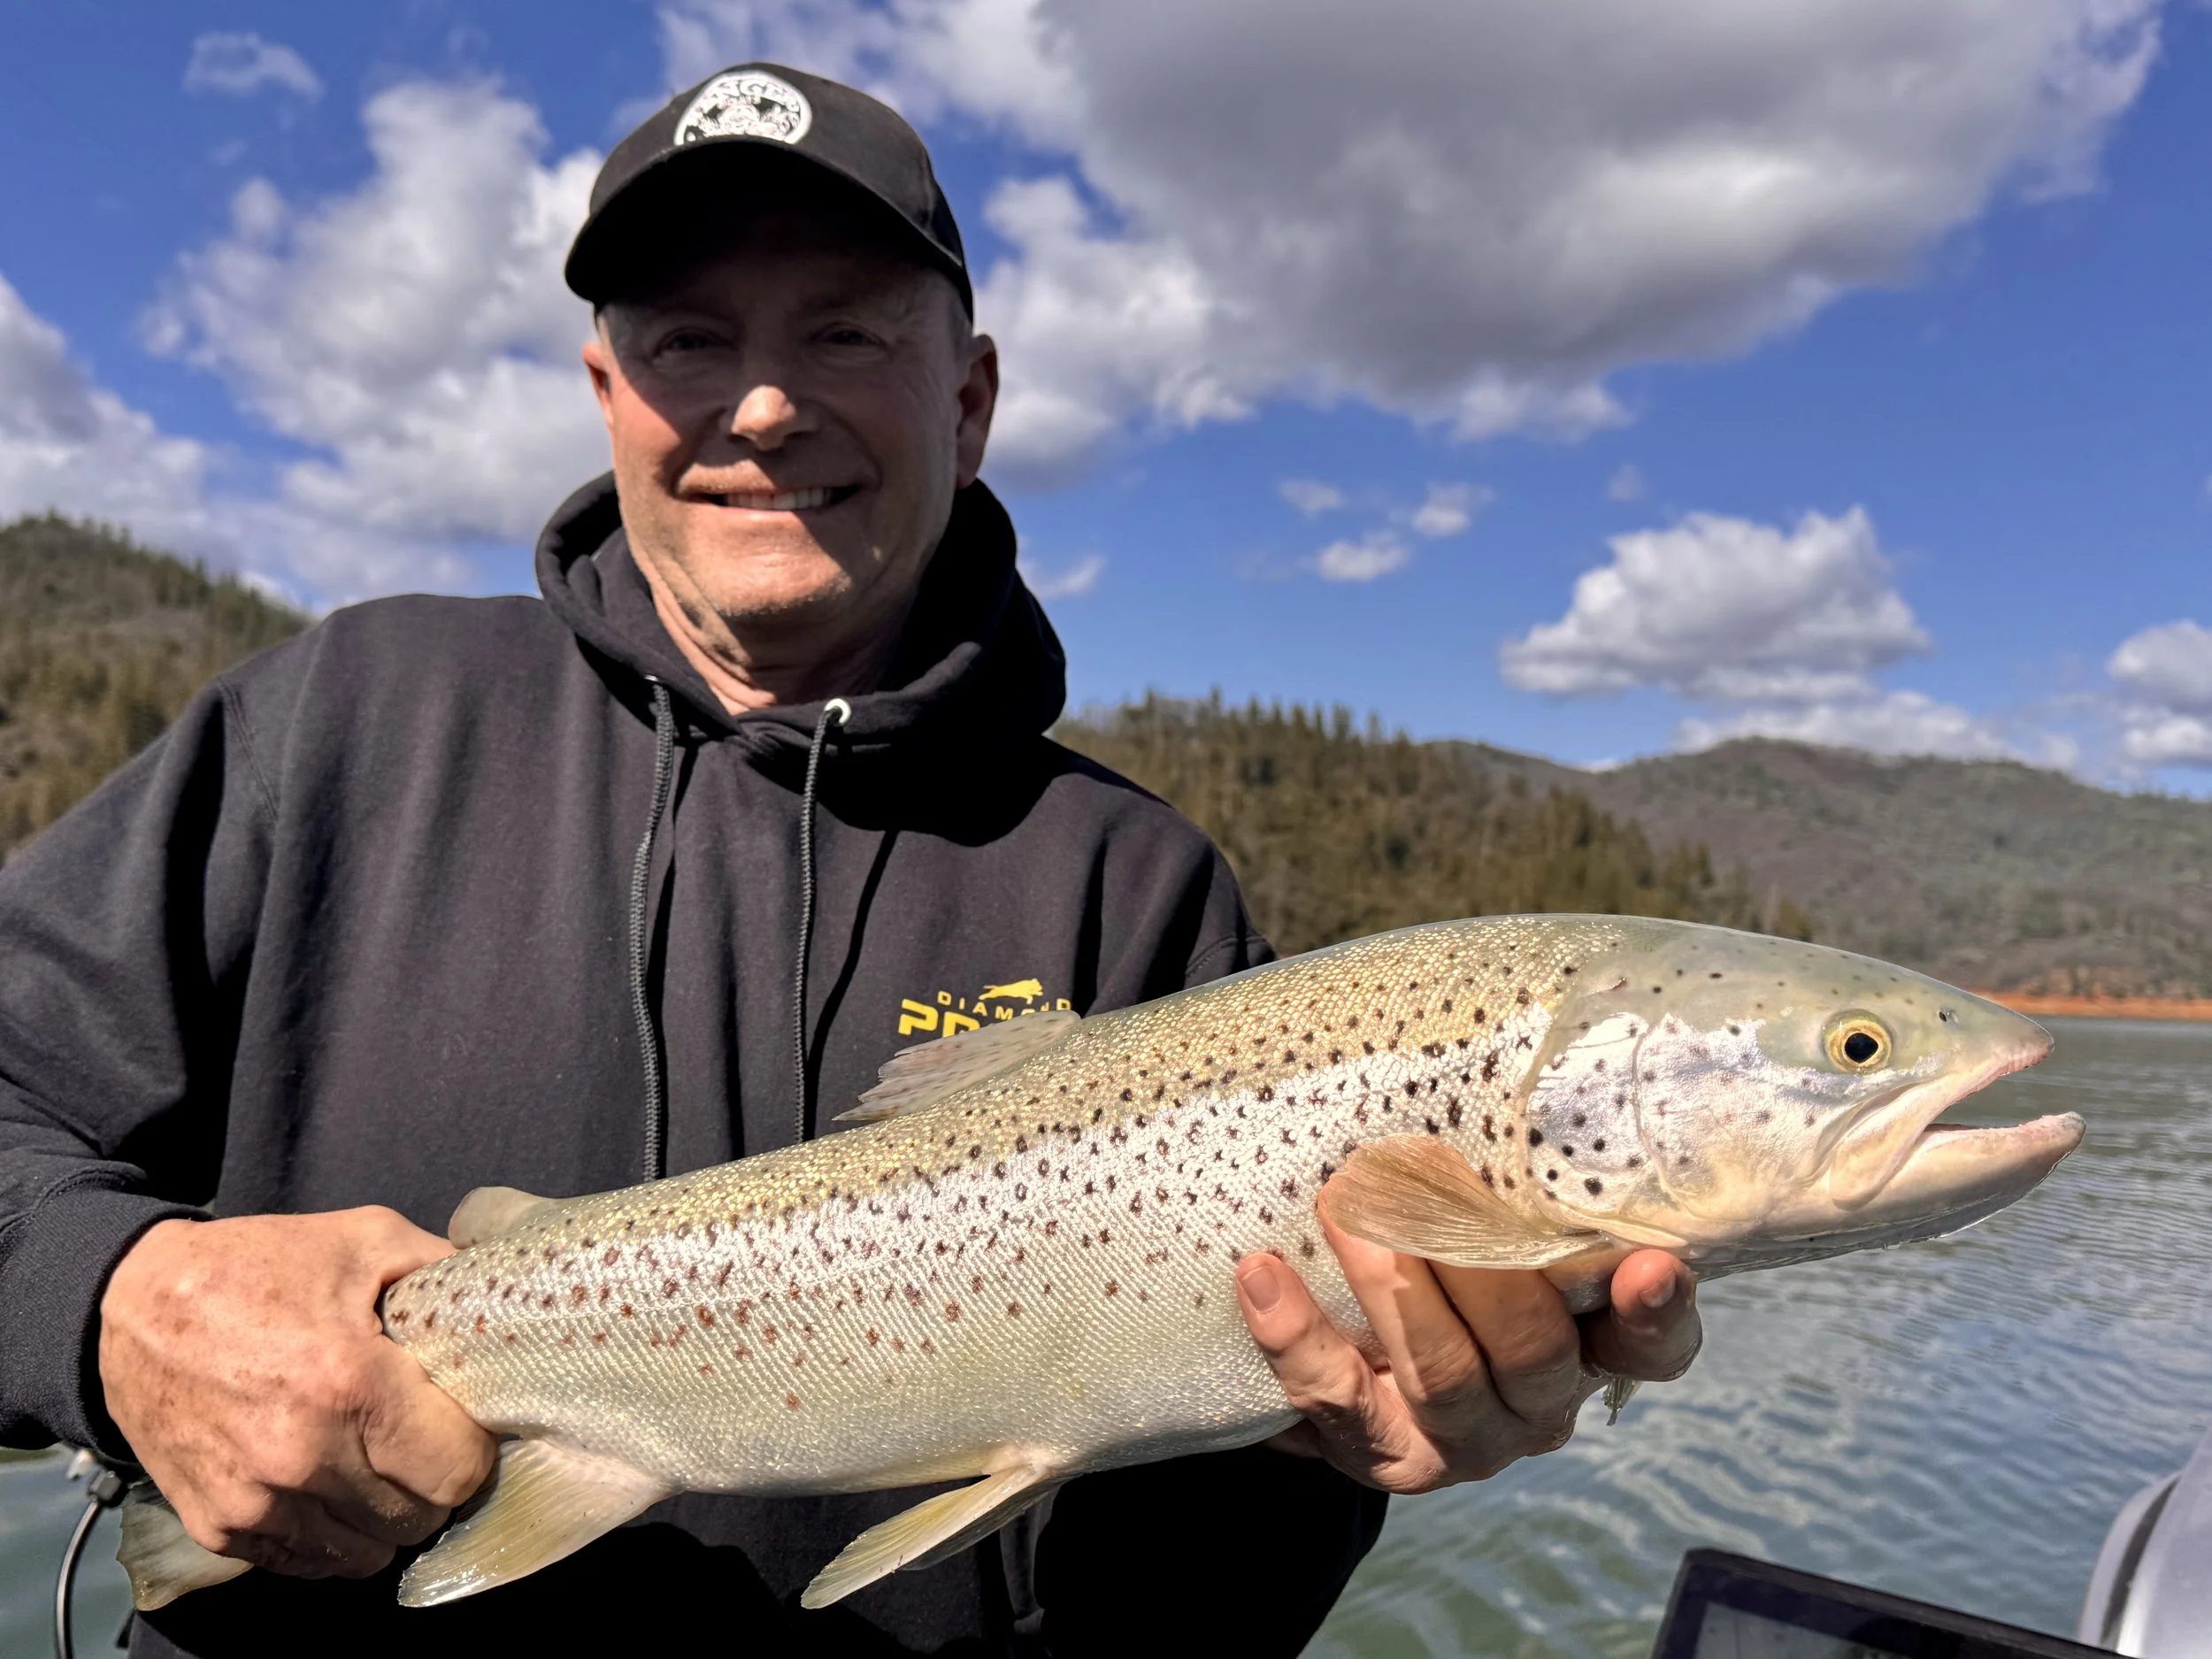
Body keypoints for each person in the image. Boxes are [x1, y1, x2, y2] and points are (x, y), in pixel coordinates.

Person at [0, 64, 1701, 1659]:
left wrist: (1328, 1452)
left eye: (844, 332)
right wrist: (107, 1300)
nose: (760, 401)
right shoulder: (339, 724)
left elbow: (1167, 1616)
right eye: (687, 338)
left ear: (968, 400)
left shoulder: (1133, 882)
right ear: (607, 396)